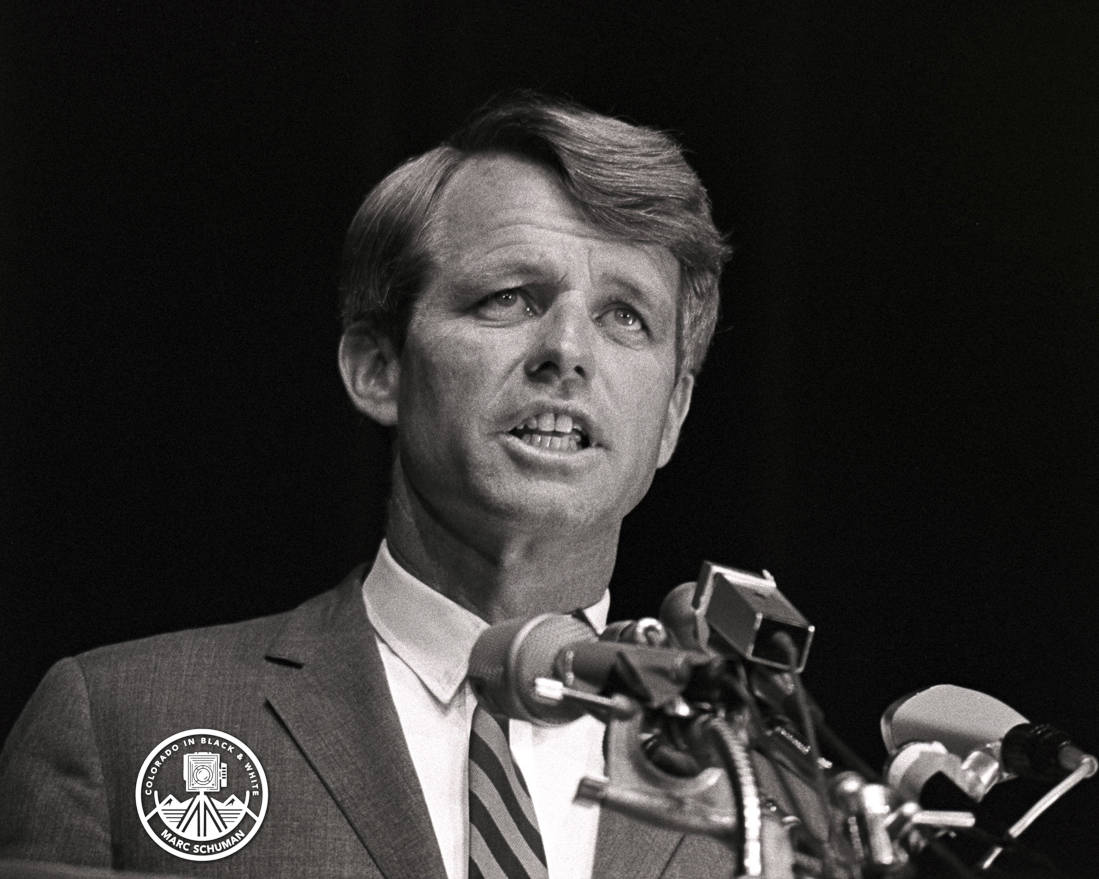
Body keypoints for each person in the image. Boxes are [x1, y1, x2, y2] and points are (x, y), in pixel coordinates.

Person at [0, 93, 768, 878]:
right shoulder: (122, 723)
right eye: (509, 297)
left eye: (625, 317)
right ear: (378, 369)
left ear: (673, 412)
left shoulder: (774, 797)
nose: (567, 350)